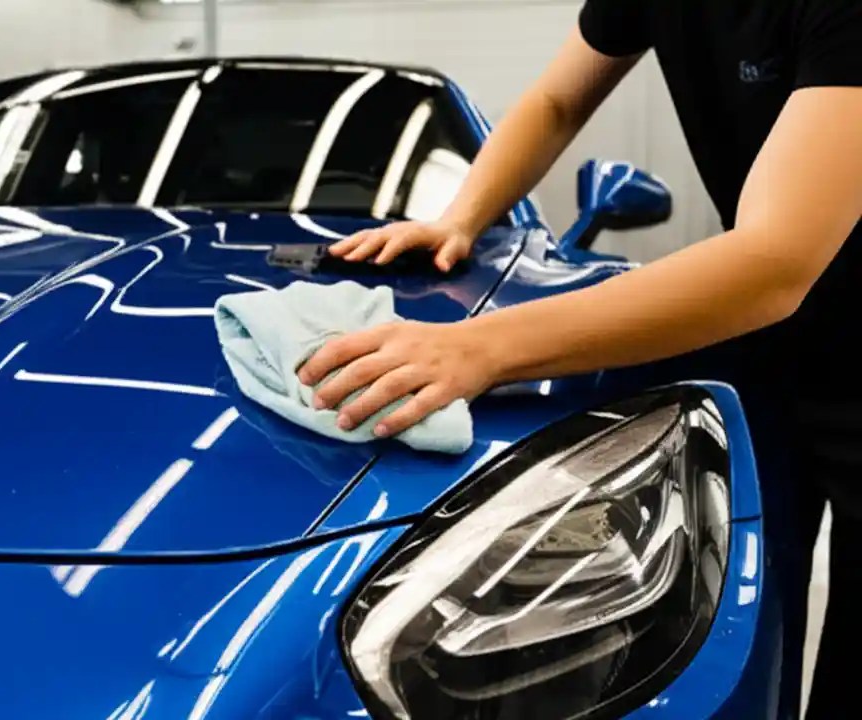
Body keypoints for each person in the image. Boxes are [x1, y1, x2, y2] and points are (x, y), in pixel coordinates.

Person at [297, 2, 862, 717]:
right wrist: (462, 216)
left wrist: (482, 346)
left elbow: (776, 261)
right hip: (789, 339)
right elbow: (557, 100)